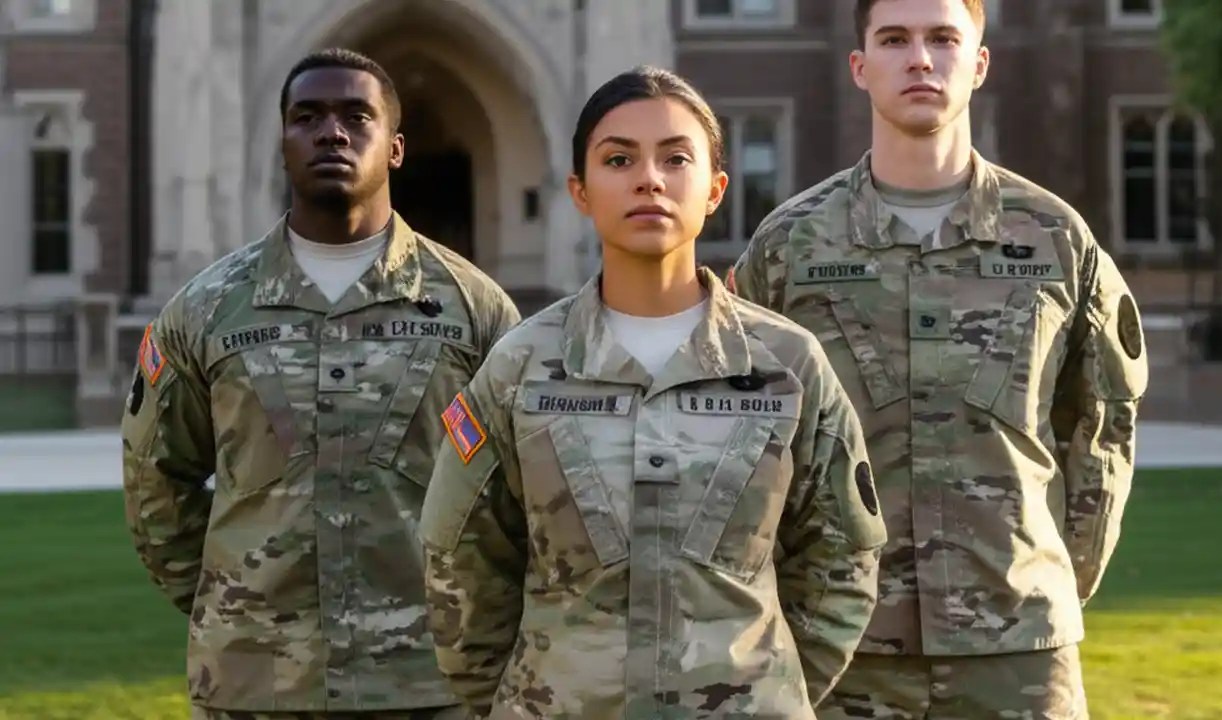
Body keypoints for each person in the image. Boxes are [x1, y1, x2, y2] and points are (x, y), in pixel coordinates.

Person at [417, 66, 887, 720]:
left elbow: (845, 553)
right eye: (619, 159)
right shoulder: (520, 366)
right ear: (579, 191)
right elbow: (458, 557)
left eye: (676, 158)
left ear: (716, 188)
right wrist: (531, 695)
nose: (650, 179)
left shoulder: (787, 365)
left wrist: (763, 685)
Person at [728, 1, 1150, 717]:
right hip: (843, 648)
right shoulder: (788, 246)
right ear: (859, 66)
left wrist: (1053, 578)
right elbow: (743, 432)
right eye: (894, 40)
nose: (919, 58)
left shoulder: (1054, 238)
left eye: (942, 38)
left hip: (1018, 649)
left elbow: (1104, 420)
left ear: (978, 63)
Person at [120, 48, 519, 720]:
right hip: (254, 687)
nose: (331, 131)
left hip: (428, 684)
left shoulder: (472, 309)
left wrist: (472, 618)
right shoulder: (206, 309)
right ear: (282, 145)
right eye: (307, 117)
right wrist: (233, 600)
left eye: (355, 116)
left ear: (394, 148)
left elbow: (520, 493)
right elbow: (155, 486)